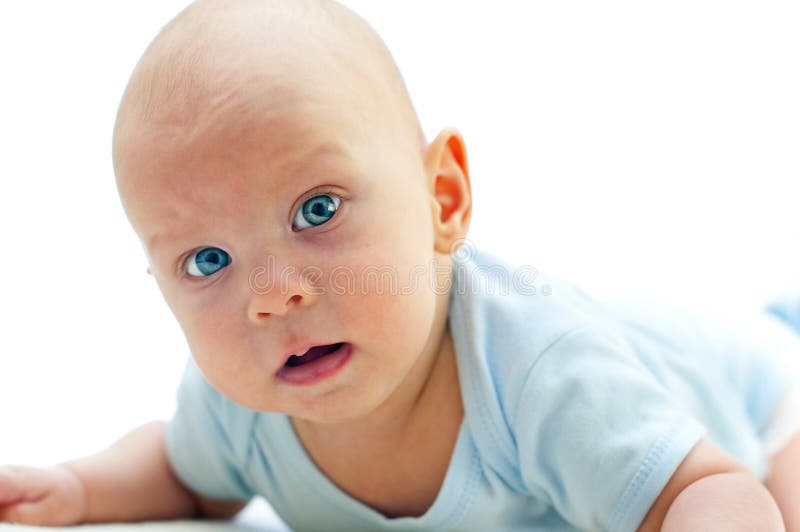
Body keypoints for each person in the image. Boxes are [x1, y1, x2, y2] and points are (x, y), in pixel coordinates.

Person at [0, 0, 798, 530]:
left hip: (757, 389)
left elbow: (701, 487)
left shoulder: (540, 372)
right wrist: (80, 487)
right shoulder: (241, 407)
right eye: (208, 260)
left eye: (317, 210)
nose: (272, 297)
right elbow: (185, 471)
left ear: (442, 200)